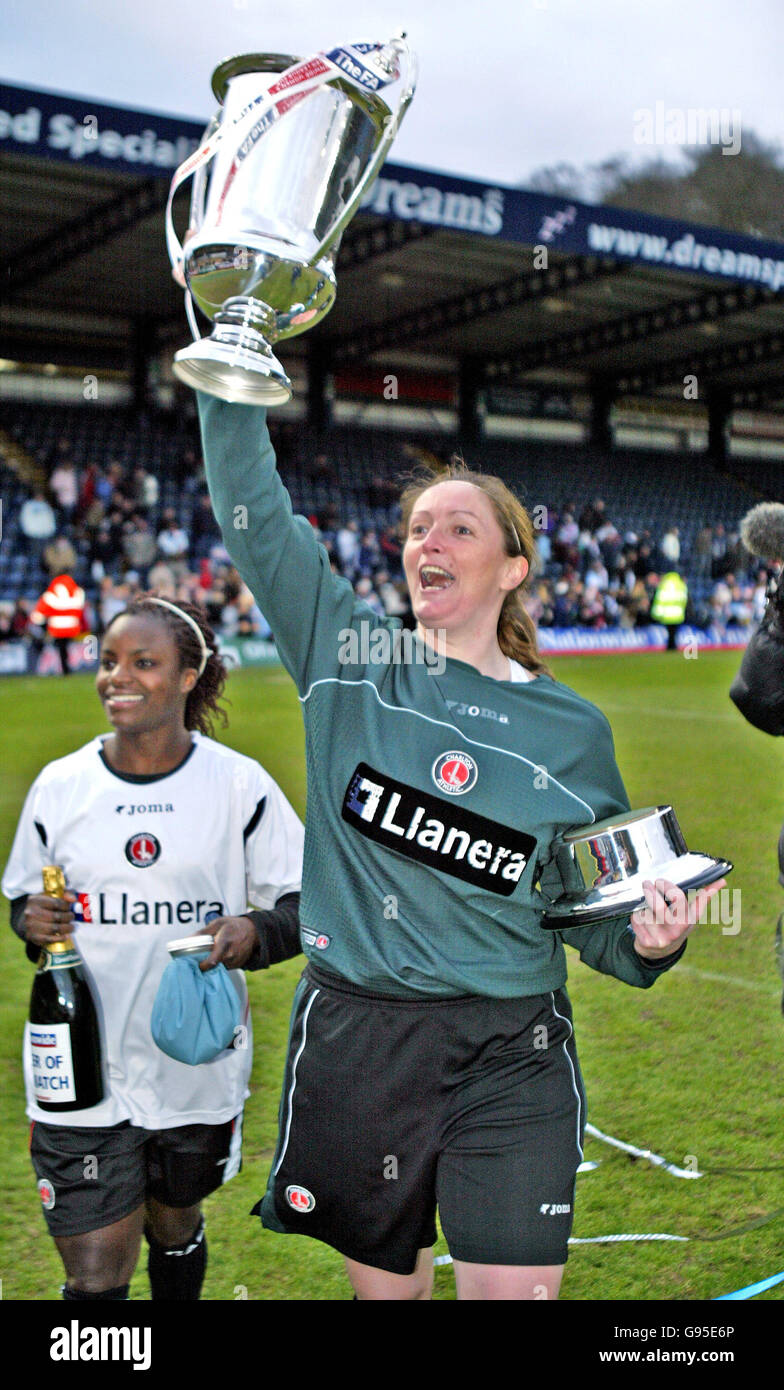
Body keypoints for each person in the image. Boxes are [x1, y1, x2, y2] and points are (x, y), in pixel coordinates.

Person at [195, 392, 724, 1302]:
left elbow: (584, 910)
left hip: (510, 1052)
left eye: (457, 529)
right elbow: (256, 511)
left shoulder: (572, 730)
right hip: (361, 1041)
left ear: (515, 567)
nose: (425, 544)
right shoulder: (349, 654)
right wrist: (229, 377)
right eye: (415, 529)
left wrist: (650, 939)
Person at [2, 596, 304, 1301]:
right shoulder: (60, 786)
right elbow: (24, 899)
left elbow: (305, 901)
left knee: (174, 1224)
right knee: (95, 1273)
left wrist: (254, 933)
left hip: (191, 1061)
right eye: (109, 662)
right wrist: (32, 922)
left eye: (144, 663)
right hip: (78, 1066)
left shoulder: (237, 785)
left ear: (190, 674)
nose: (118, 677)